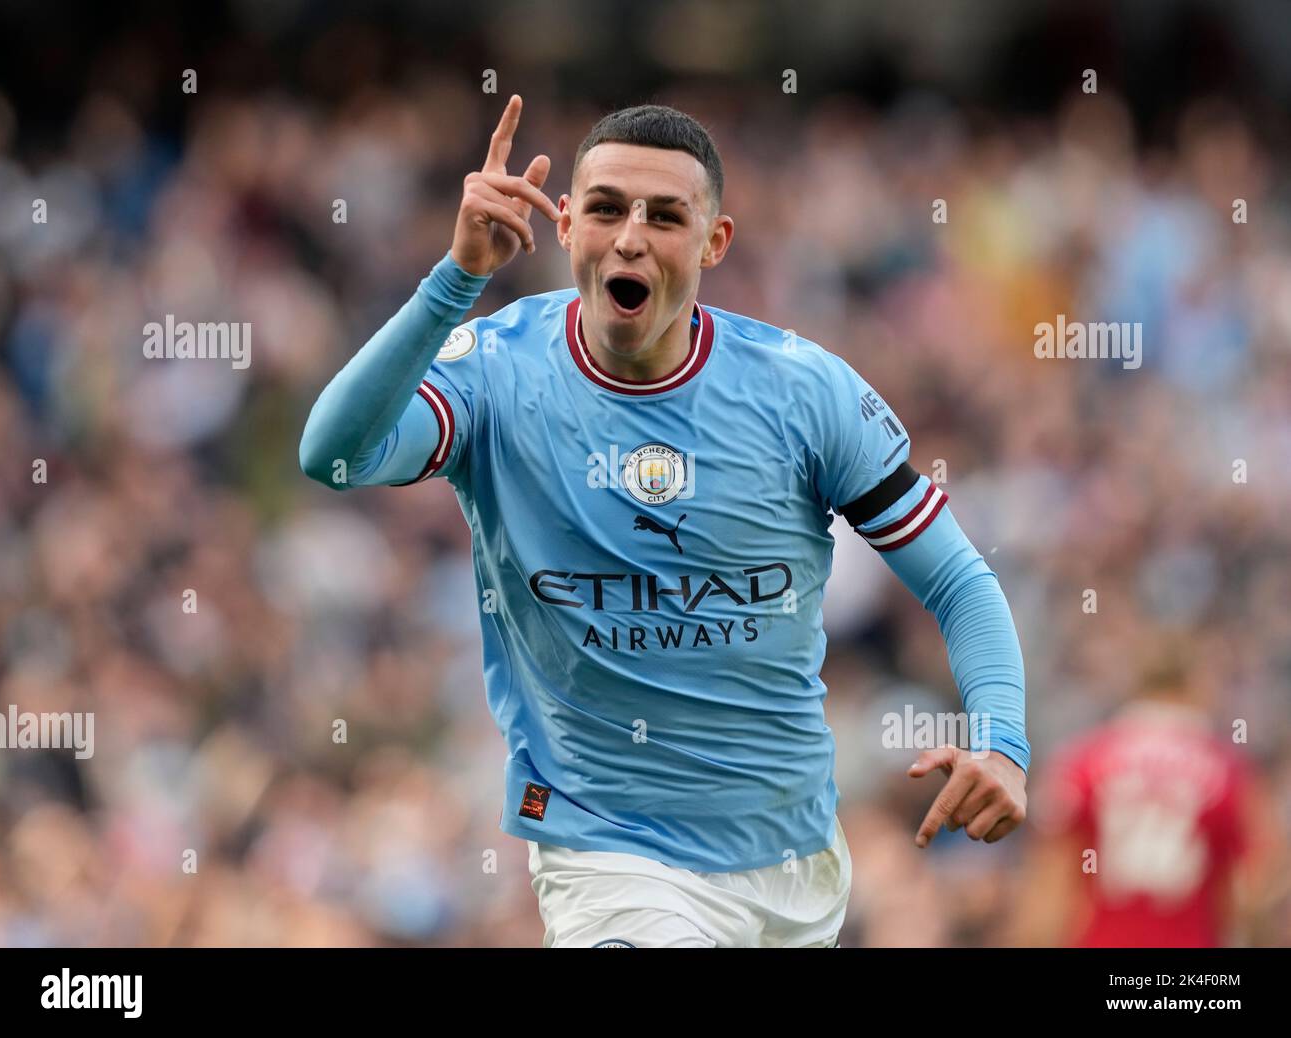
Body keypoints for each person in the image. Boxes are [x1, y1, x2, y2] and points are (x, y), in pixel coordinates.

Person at [299, 95, 1030, 947]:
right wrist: (455, 278)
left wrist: (1003, 741)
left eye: (665, 216)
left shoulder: (800, 391)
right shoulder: (495, 374)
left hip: (790, 861)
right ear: (565, 225)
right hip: (608, 850)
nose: (631, 237)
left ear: (714, 242)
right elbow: (334, 455)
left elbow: (957, 580)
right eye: (605, 209)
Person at [1012, 636, 1285, 947]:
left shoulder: (1084, 760)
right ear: (1197, 684)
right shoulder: (1229, 770)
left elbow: (1048, 887)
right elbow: (1254, 883)